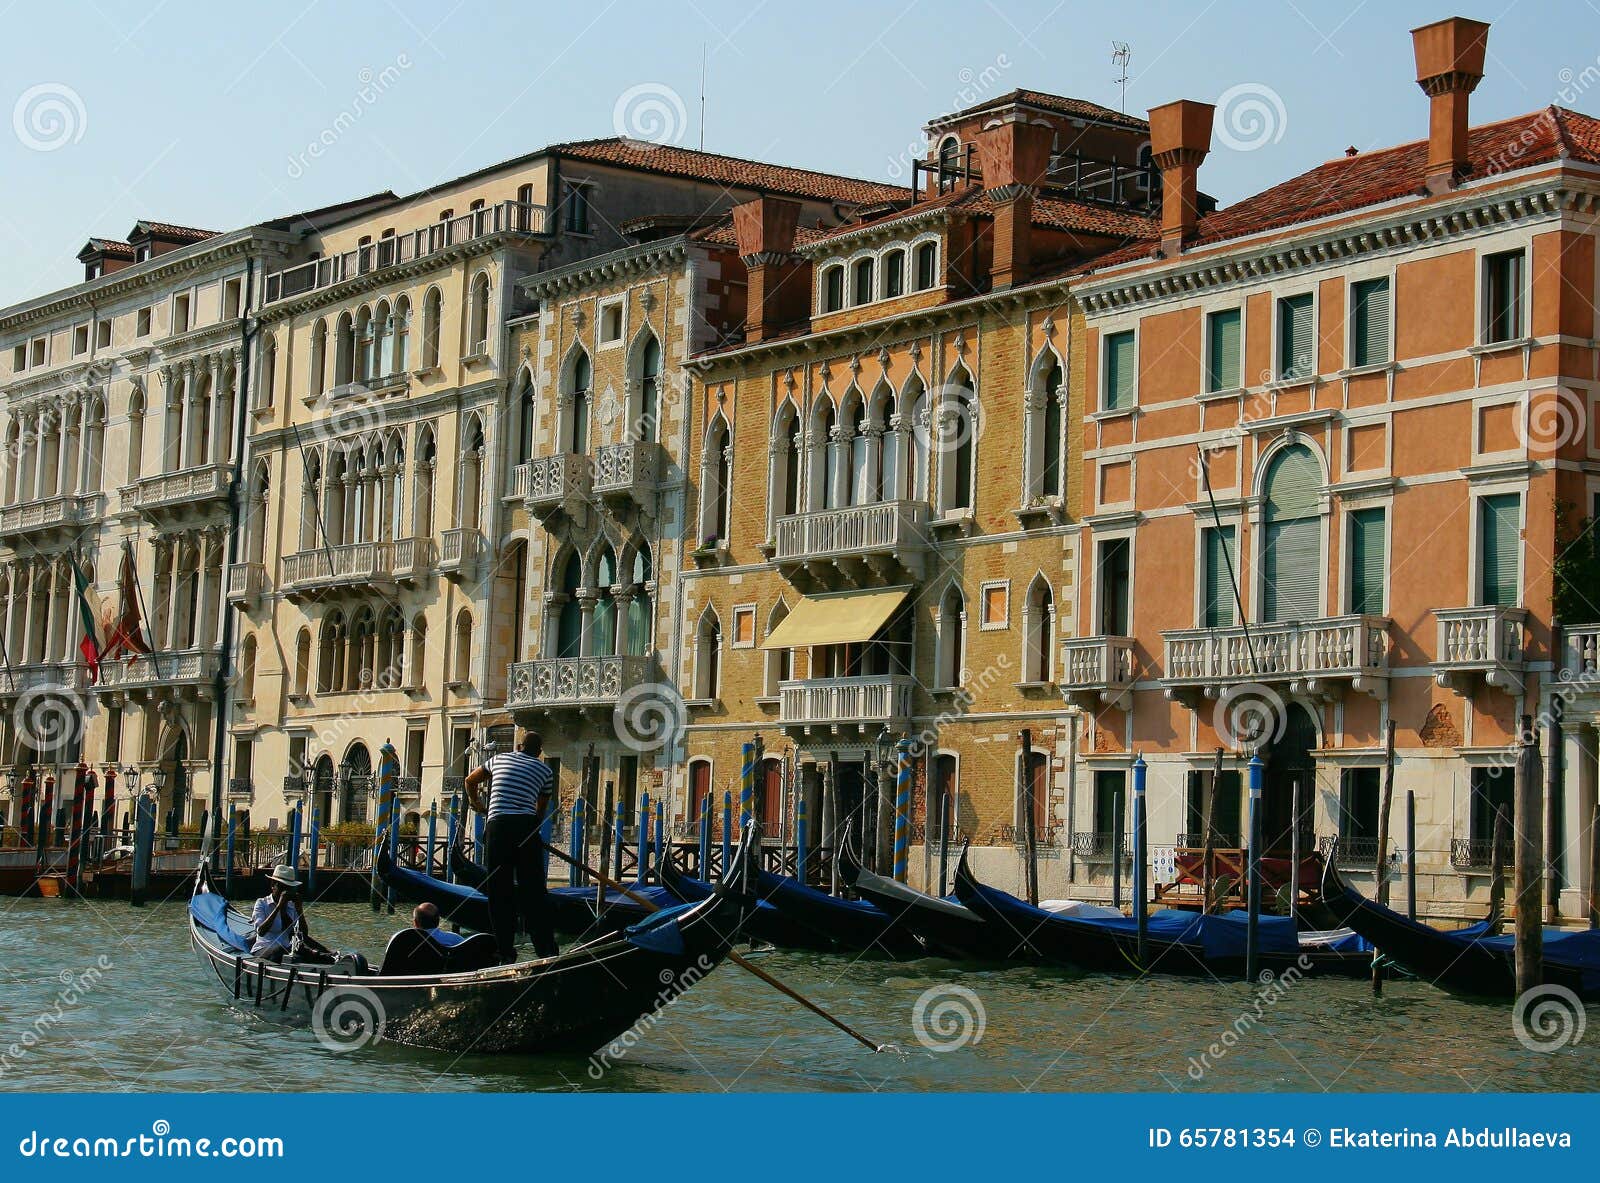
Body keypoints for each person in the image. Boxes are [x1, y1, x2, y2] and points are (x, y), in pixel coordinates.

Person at [464, 731, 558, 963]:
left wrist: (478, 805)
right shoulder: (545, 771)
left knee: (499, 891)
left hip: (497, 828)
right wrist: (529, 833)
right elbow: (540, 810)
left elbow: (470, 780)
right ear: (539, 752)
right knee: (534, 891)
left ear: (518, 746)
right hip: (525, 828)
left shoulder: (499, 759)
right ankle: (546, 950)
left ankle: (505, 951)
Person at [250, 865, 335, 963]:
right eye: (282, 887)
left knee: (306, 951)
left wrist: (299, 910)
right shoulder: (262, 903)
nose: (285, 892)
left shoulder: (291, 907)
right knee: (279, 950)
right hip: (263, 949)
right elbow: (261, 931)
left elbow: (303, 935)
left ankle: (332, 959)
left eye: (289, 888)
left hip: (288, 950)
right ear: (273, 885)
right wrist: (278, 907)